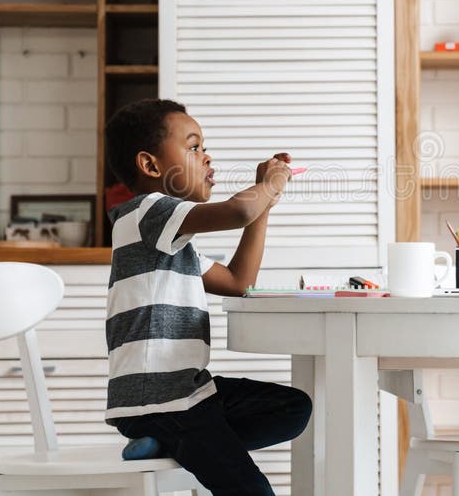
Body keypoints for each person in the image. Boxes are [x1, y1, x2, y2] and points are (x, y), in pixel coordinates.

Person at [103, 98, 312, 495]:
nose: (207, 156)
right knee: (251, 490)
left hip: (185, 393)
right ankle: (179, 439)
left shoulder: (172, 243)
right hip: (161, 399)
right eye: (194, 147)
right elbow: (236, 211)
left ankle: (170, 443)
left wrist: (264, 205)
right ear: (150, 166)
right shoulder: (148, 212)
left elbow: (236, 280)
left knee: (292, 408)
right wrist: (270, 184)